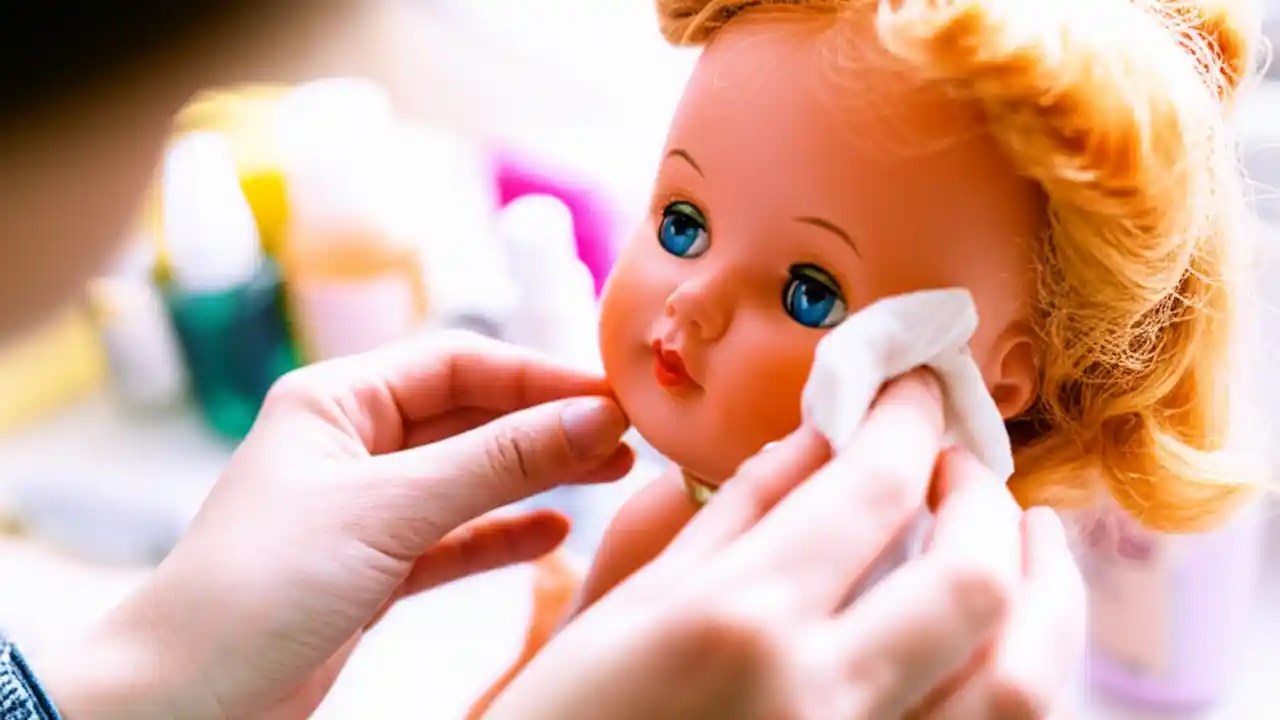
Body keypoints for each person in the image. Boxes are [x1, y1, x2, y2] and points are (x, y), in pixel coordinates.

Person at [0, 2, 1085, 718]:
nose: (691, 303)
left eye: (809, 293)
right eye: (680, 225)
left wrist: (139, 683)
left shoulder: (956, 620)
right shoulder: (667, 532)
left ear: (991, 378)